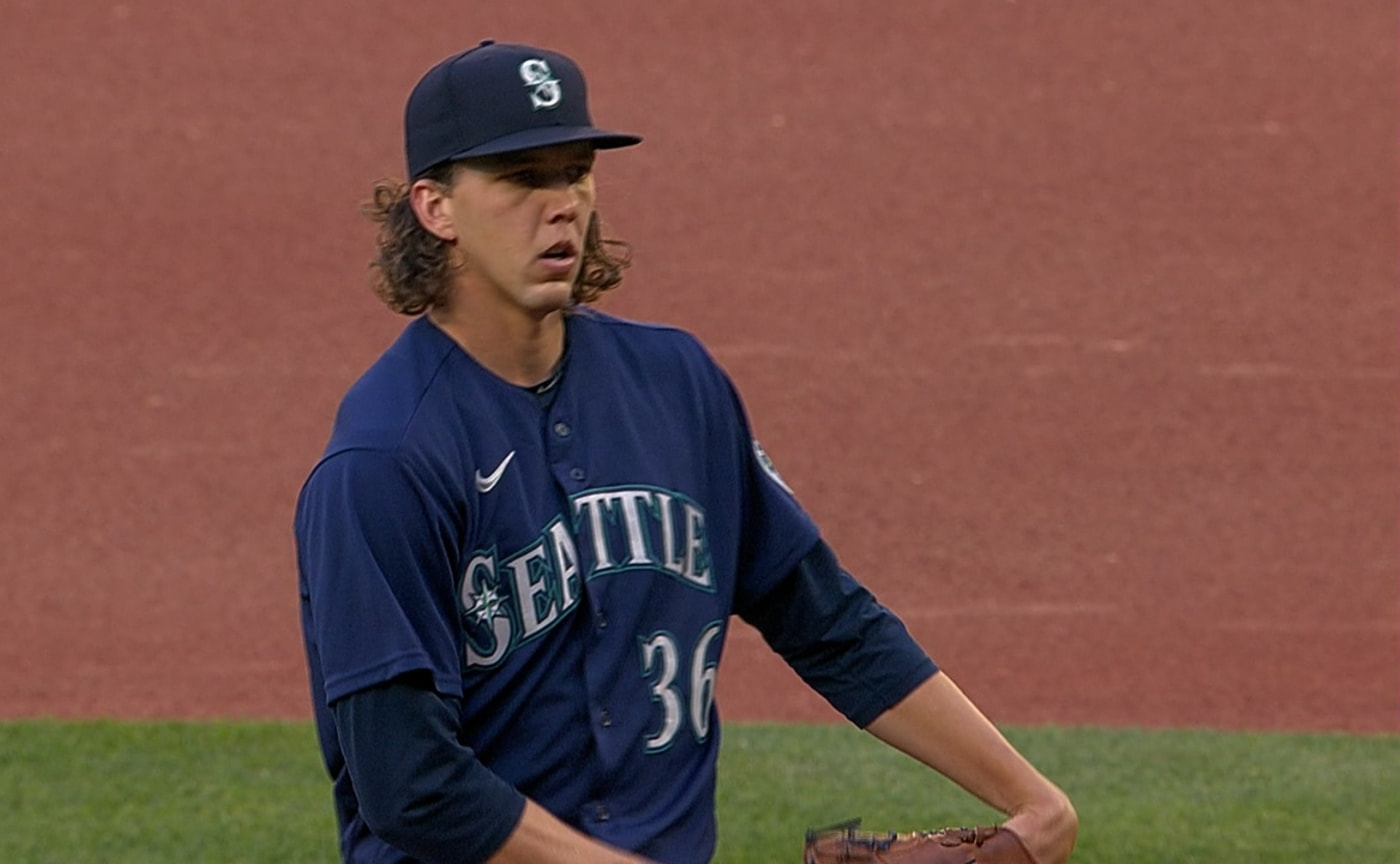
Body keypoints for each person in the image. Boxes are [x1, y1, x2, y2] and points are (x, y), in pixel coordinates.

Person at [295, 40, 1078, 864]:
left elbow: (823, 618)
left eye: (575, 172)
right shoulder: (383, 462)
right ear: (435, 207)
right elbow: (409, 784)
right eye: (522, 178)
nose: (560, 203)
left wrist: (1032, 799)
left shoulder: (676, 387)